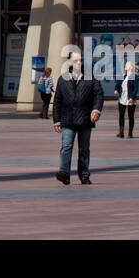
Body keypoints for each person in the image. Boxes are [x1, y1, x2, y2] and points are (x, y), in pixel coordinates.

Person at [51, 51, 103, 184]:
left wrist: (96, 110)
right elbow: (57, 101)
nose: (78, 63)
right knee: (66, 146)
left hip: (85, 118)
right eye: (75, 60)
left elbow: (99, 94)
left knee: (84, 148)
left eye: (80, 60)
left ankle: (84, 175)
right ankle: (64, 173)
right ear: (69, 62)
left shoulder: (90, 77)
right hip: (67, 119)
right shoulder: (63, 79)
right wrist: (56, 120)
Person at [116, 61, 138, 138]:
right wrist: (116, 90)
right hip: (122, 98)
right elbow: (118, 84)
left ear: (131, 67)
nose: (127, 66)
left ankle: (130, 133)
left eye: (128, 65)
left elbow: (136, 88)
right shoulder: (123, 76)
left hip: (130, 99)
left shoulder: (134, 77)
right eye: (126, 65)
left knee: (130, 116)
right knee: (121, 115)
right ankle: (121, 132)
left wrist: (132, 97)